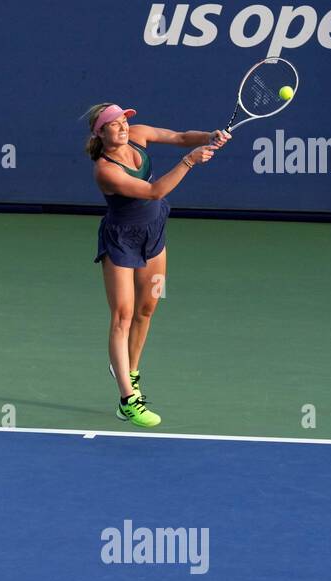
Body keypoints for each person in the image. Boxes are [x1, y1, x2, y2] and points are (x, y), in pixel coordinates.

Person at [86, 103, 231, 427]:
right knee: (122, 316)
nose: (123, 126)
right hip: (121, 242)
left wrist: (207, 136)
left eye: (124, 120)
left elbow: (179, 136)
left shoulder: (139, 134)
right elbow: (154, 191)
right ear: (100, 132)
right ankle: (128, 400)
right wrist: (189, 161)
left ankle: (131, 371)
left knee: (148, 307)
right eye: (114, 124)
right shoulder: (105, 170)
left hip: (155, 235)